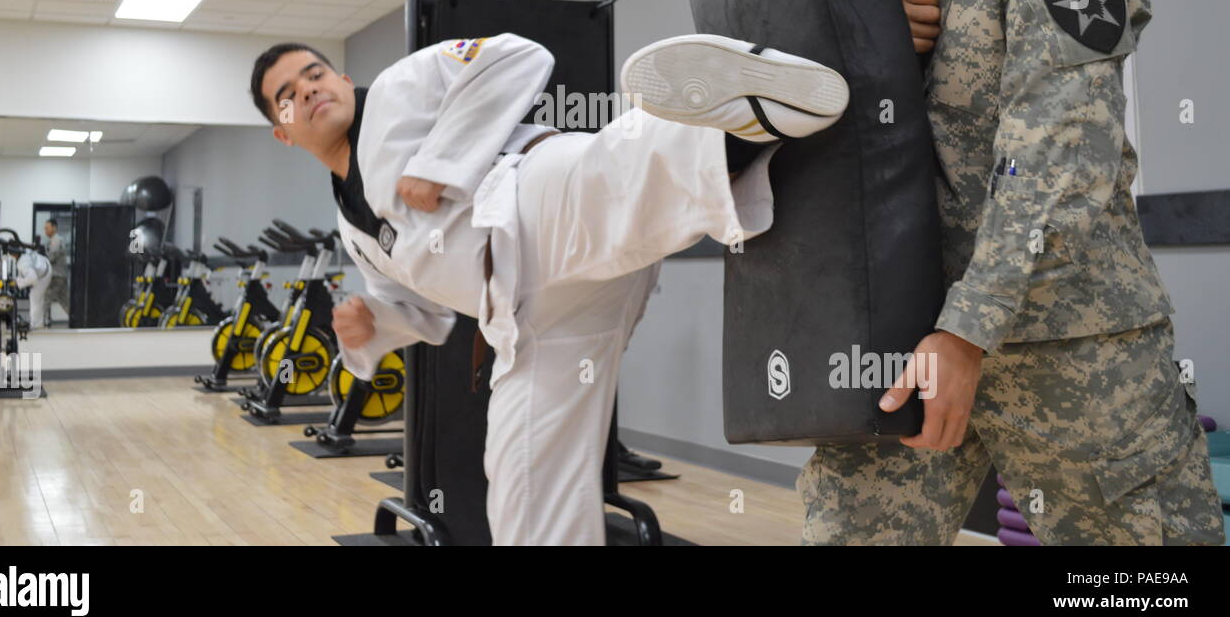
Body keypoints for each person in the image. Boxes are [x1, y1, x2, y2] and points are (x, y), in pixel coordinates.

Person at [794, 0, 1225, 545]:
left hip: (1071, 346)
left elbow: (1058, 144)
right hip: (904, 340)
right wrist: (866, 51)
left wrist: (967, 330)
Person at [252, 32, 849, 545]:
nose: (306, 90)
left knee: (611, 179)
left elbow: (517, 56)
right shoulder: (352, 233)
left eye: (314, 73)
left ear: (343, 78)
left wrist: (442, 160)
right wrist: (373, 326)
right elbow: (426, 315)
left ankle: (738, 110)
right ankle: (744, 119)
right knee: (524, 485)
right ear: (282, 133)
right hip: (531, 318)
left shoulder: (397, 88)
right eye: (286, 96)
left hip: (526, 197)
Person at [41, 219, 69, 327]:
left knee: (46, 297)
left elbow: (51, 257)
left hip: (57, 276)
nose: (45, 230)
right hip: (60, 275)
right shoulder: (53, 240)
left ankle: (39, 323)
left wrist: (42, 255)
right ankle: (78, 322)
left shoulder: (56, 240)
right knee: (64, 300)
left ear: (54, 228)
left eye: (47, 228)